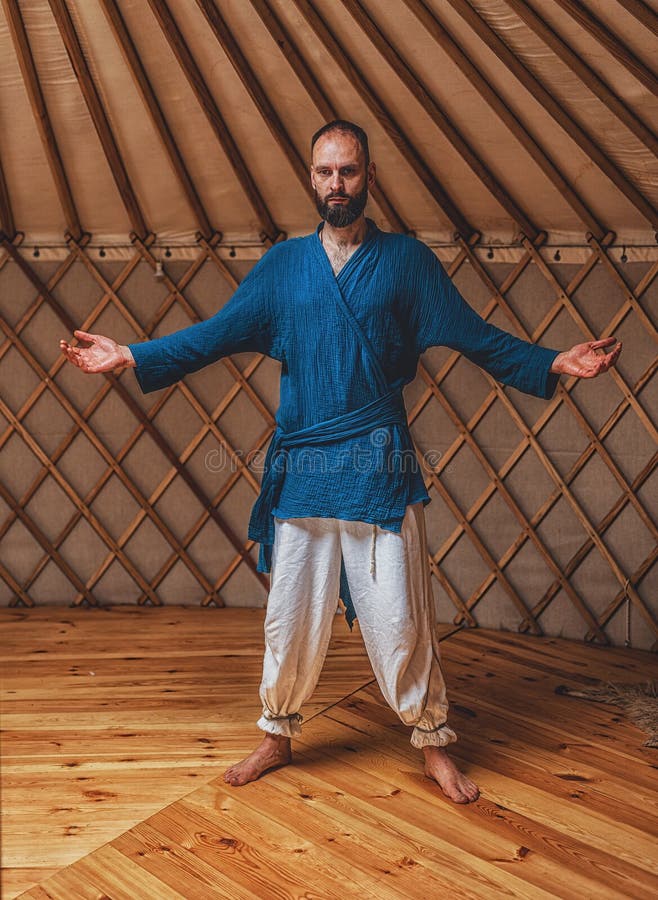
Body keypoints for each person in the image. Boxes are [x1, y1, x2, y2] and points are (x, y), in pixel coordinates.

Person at [60, 120, 621, 804]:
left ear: (369, 177)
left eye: (348, 172)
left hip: (378, 467)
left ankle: (433, 740)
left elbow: (476, 336)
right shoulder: (283, 268)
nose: (336, 184)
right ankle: (277, 731)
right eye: (325, 172)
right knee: (290, 615)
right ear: (311, 178)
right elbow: (213, 336)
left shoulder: (409, 264)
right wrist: (131, 355)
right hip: (304, 469)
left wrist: (552, 361)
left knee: (399, 619)